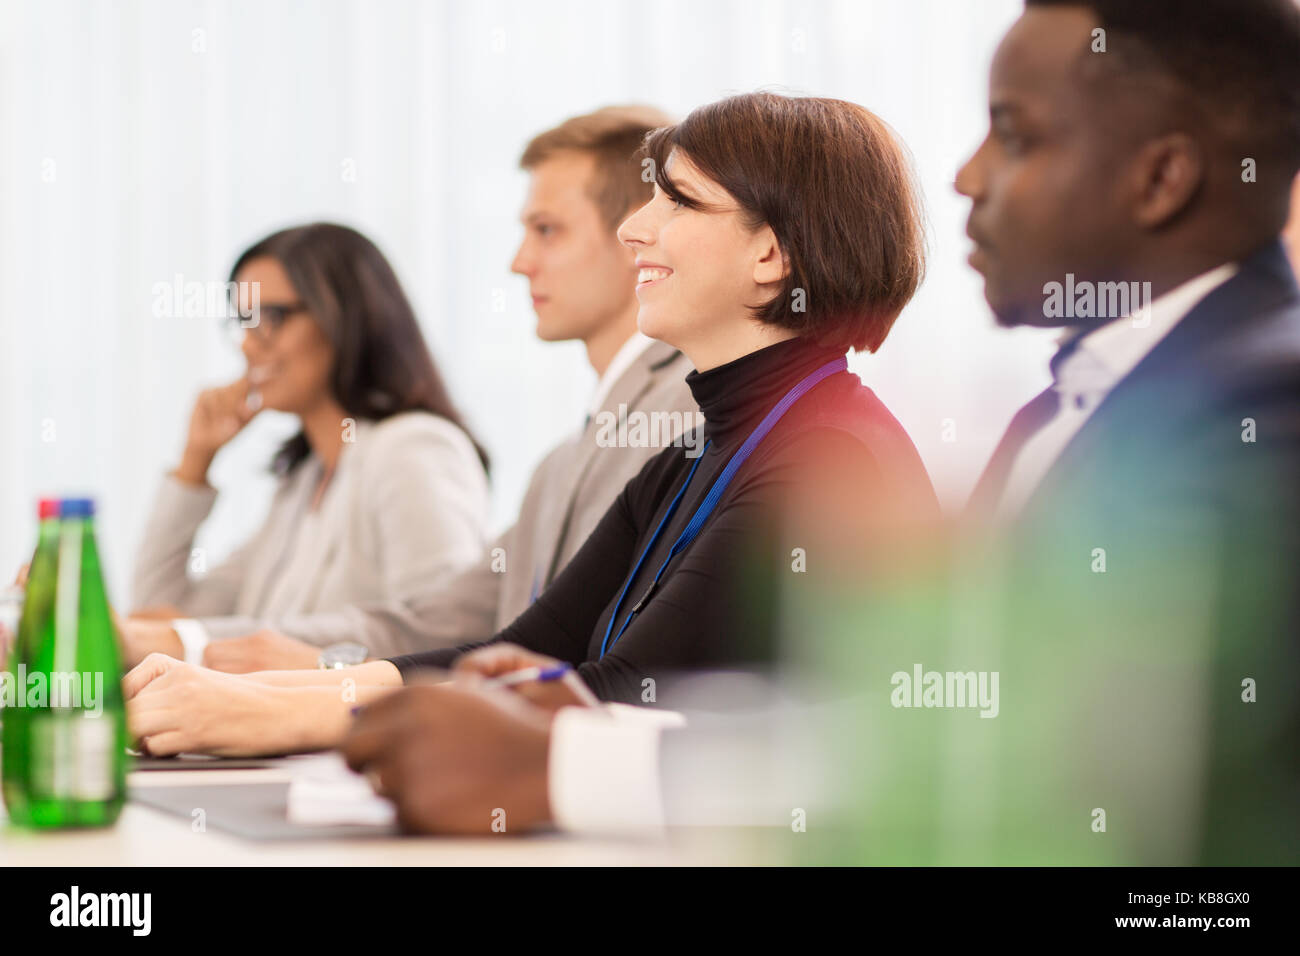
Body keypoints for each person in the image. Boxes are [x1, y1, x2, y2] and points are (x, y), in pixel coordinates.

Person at [354, 0, 1300, 852]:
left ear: (1163, 175)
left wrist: (562, 763)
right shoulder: (1061, 410)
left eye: (1012, 135)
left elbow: (1072, 769)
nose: (966, 176)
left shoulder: (1265, 405)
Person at [125, 91, 939, 755]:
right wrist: (244, 693)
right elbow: (536, 646)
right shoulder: (698, 448)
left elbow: (617, 693)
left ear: (771, 257)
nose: (635, 229)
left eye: (678, 200)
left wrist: (279, 717)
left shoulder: (826, 452)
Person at [121, 223, 490, 667]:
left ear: (347, 316)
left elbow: (444, 631)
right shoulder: (303, 483)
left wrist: (182, 639)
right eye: (243, 321)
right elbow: (163, 615)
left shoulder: (412, 449)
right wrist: (193, 464)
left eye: (271, 317)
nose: (249, 345)